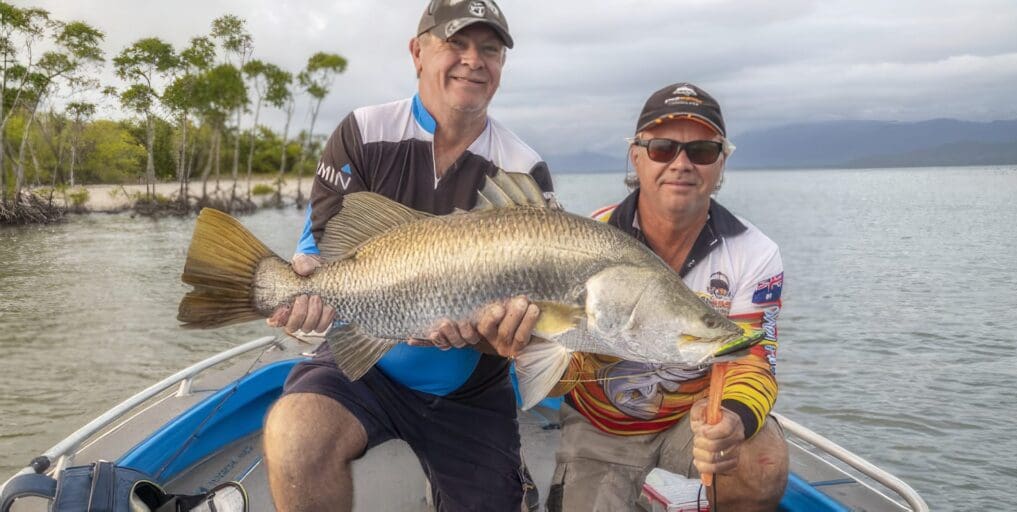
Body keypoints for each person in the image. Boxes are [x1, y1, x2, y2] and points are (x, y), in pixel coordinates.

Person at [261, 2, 555, 511]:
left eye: (490, 49)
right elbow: (320, 246)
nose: (474, 60)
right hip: (361, 363)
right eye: (456, 44)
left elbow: (536, 313)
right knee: (295, 438)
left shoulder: (524, 170)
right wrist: (301, 302)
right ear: (417, 52)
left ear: (502, 66)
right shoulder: (362, 132)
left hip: (470, 389)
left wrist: (491, 337)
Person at [545, 83, 789, 511]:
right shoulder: (586, 241)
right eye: (661, 148)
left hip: (692, 417)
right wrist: (531, 348)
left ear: (721, 162)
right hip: (602, 424)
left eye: (702, 151)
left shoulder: (755, 252)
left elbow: (754, 357)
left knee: (761, 463)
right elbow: (563, 361)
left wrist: (731, 421)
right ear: (636, 157)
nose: (681, 164)